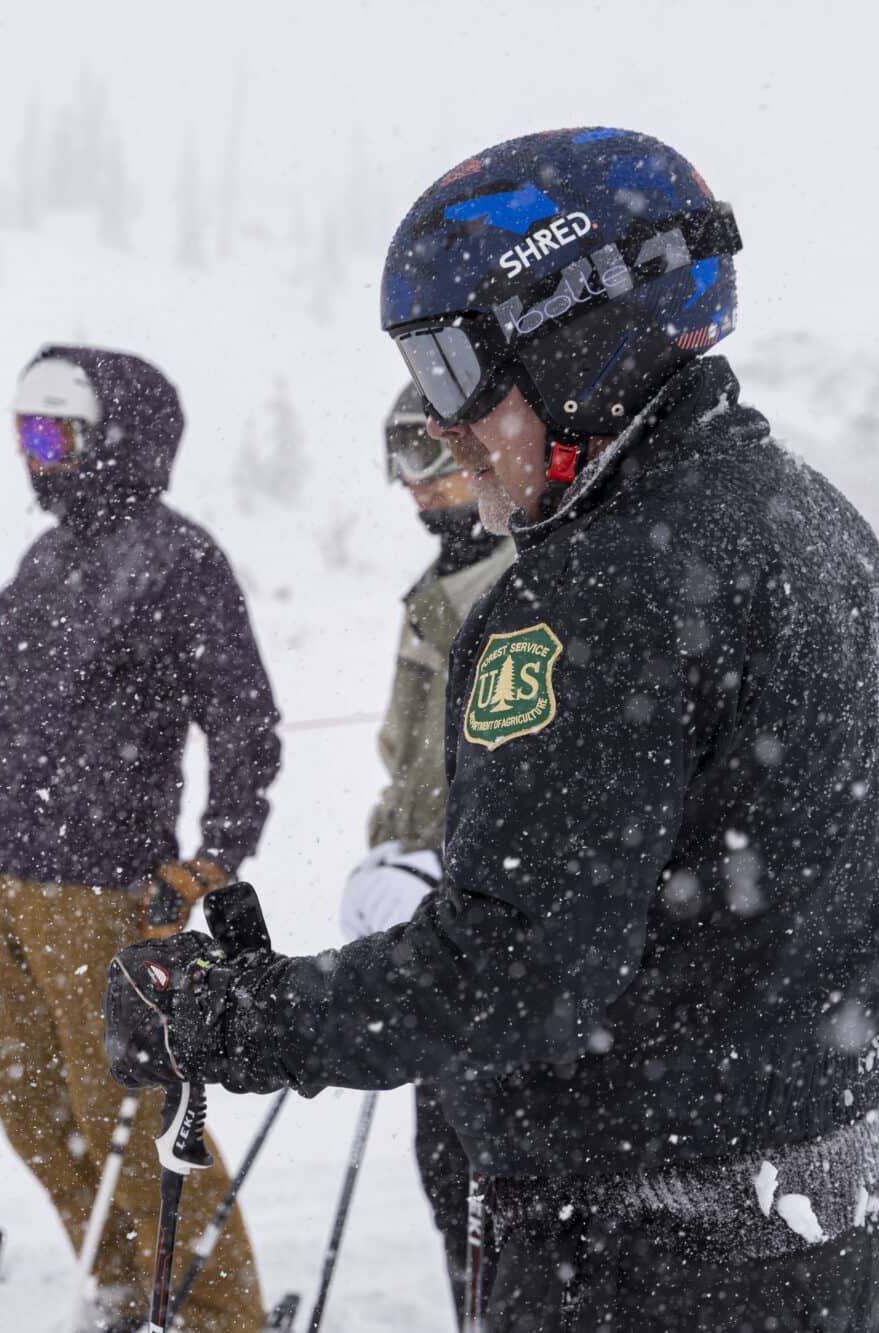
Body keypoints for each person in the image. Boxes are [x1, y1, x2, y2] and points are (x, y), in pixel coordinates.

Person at [106, 128, 879, 1331]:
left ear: (575, 336)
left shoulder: (598, 590)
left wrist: (240, 1015)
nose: (446, 429)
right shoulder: (812, 523)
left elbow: (515, 970)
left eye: (452, 370)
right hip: (811, 1208)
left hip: (640, 1237)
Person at [0, 346, 281, 1333]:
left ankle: (219, 1315)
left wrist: (217, 851)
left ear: (115, 438)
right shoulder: (43, 561)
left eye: (53, 433)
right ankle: (132, 1295)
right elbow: (50, 713)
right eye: (24, 433)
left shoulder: (176, 558)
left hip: (109, 890)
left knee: (133, 1120)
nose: (34, 456)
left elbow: (243, 717)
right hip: (9, 877)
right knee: (38, 1121)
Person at [339, 384, 516, 1316]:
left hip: (488, 919)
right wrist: (385, 854)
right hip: (429, 910)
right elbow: (410, 761)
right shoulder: (435, 595)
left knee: (492, 1170)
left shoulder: (522, 583)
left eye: (429, 460)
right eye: (398, 462)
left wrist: (445, 864)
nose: (414, 488)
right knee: (445, 1159)